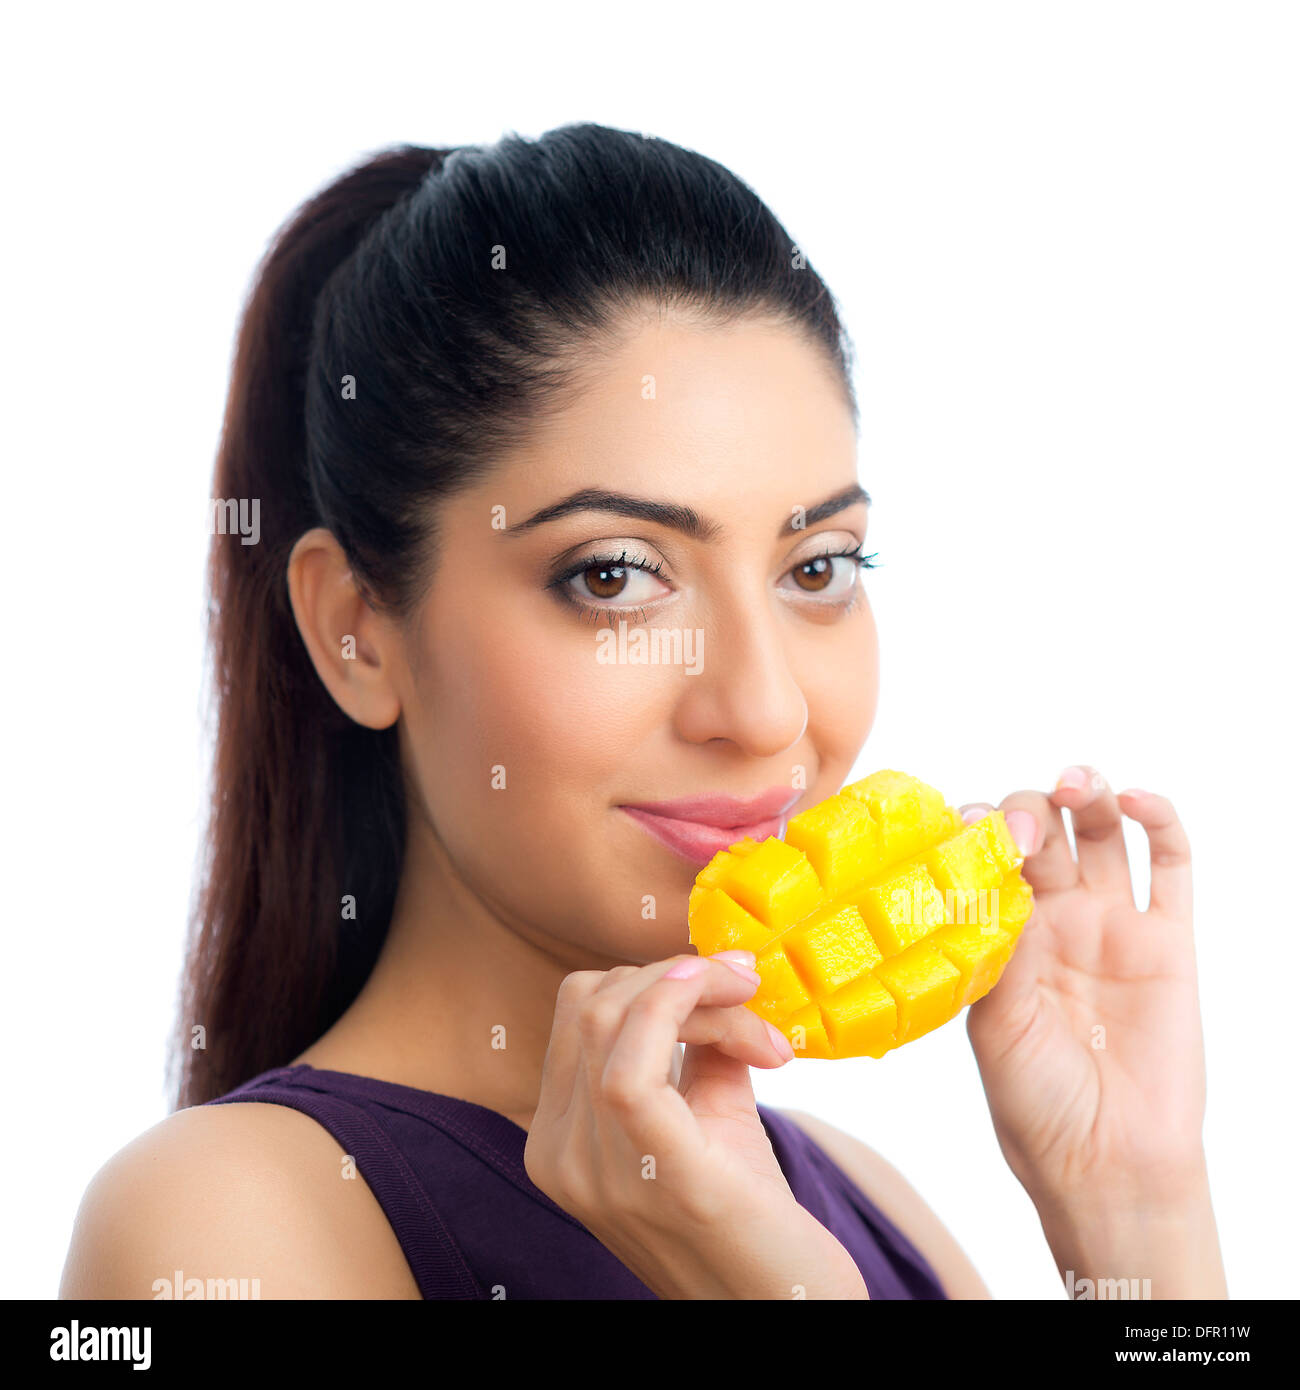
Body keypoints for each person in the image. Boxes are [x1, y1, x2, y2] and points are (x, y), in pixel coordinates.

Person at [60, 124, 1226, 1300]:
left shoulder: (851, 1191)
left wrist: (1136, 1217)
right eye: (613, 574)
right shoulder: (222, 1224)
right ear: (357, 629)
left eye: (816, 567)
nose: (764, 711)